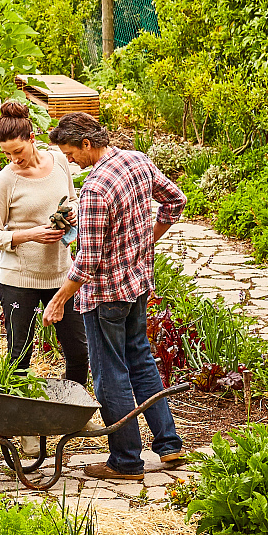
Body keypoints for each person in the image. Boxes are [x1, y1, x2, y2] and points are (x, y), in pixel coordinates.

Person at [41, 112, 187, 482]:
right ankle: (169, 444)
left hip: (106, 296)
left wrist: (59, 300)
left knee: (110, 376)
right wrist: (146, 242)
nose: (70, 161)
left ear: (87, 143)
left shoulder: (95, 189)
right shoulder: (137, 161)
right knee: (141, 361)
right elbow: (175, 201)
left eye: (71, 153)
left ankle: (125, 462)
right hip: (137, 285)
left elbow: (87, 263)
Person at [0, 101, 89, 384]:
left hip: (61, 274)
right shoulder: (6, 181)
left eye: (18, 151)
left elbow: (73, 199)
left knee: (79, 352)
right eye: (7, 154)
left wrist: (73, 212)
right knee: (20, 357)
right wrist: (32, 234)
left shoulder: (60, 161)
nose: (13, 159)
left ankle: (72, 406)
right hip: (19, 279)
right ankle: (21, 409)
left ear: (32, 138)